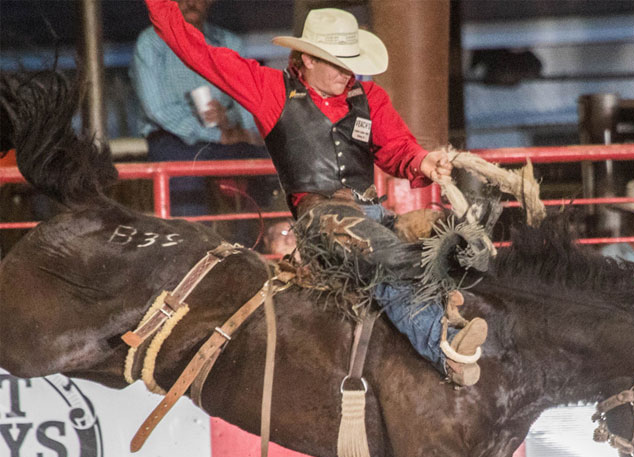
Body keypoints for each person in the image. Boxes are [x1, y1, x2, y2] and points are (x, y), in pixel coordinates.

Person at [143, 0, 488, 386]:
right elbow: (197, 53)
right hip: (321, 218)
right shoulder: (270, 89)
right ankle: (446, 347)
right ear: (307, 59)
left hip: (371, 211)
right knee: (381, 253)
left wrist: (422, 162)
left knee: (450, 237)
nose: (347, 72)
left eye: (350, 62)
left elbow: (398, 148)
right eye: (337, 62)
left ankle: (446, 302)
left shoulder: (369, 97)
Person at [131, 0, 270, 218]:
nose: (191, 3)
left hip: (224, 137)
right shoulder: (151, 43)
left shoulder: (228, 42)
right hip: (172, 140)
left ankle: (257, 240)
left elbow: (246, 100)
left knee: (265, 164)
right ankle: (194, 245)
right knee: (184, 178)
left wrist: (231, 120)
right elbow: (157, 110)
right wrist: (218, 134)